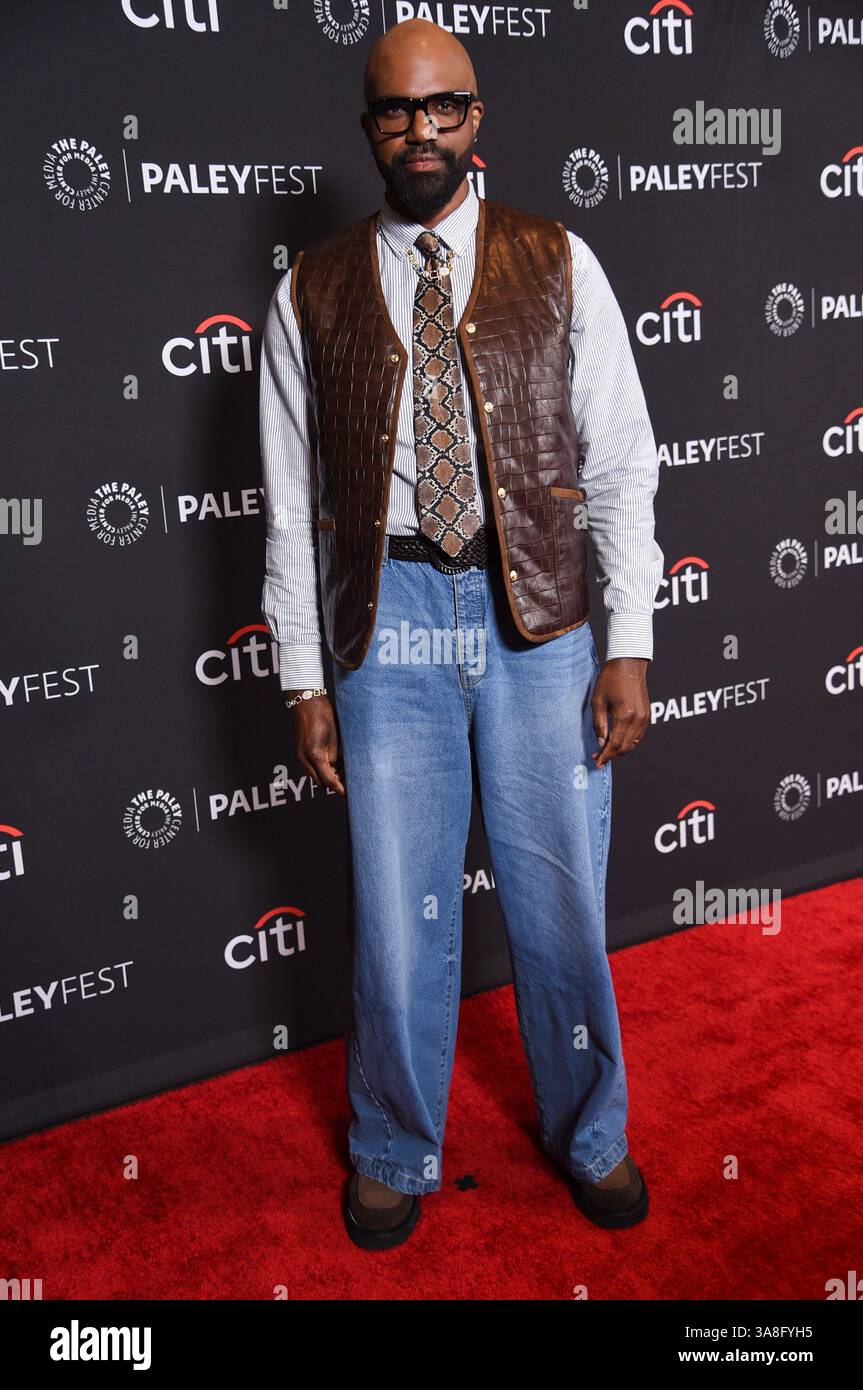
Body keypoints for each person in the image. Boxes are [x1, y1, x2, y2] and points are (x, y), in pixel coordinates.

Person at [259, 17, 664, 1251]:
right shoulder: (307, 289)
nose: (419, 131)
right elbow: (288, 502)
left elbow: (621, 465)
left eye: (442, 108)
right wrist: (301, 676)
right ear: (368, 127)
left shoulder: (557, 260)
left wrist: (627, 639)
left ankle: (590, 1129)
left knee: (558, 906)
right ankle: (391, 1139)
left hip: (532, 614)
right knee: (395, 904)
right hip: (385, 624)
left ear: (476, 117)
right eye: (395, 111)